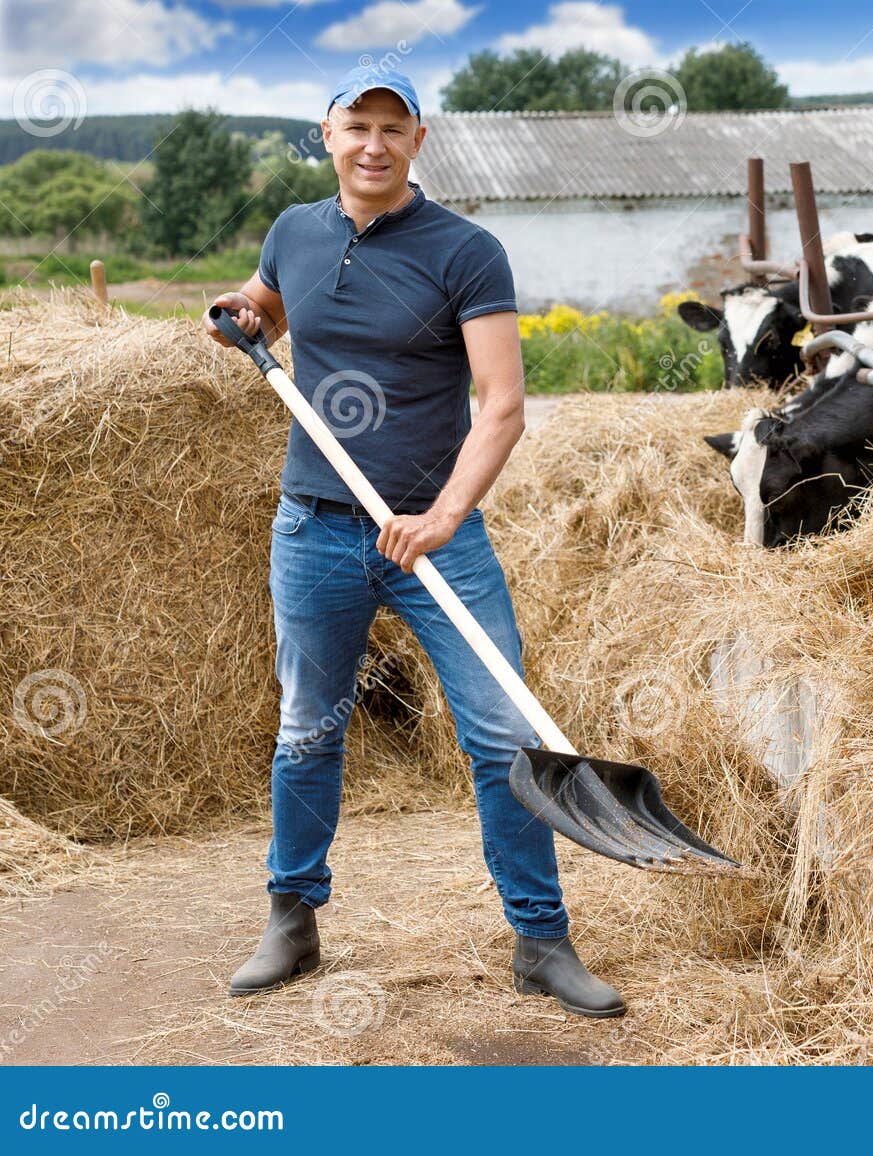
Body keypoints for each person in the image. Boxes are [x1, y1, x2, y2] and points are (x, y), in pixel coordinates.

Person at [202, 65, 623, 1018]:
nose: (374, 144)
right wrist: (240, 315)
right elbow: (267, 304)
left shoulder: (466, 251)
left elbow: (503, 407)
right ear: (328, 132)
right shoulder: (295, 232)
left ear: (418, 141)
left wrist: (440, 517)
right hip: (314, 526)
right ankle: (292, 918)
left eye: (394, 128)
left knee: (502, 730)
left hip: (439, 540)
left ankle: (540, 938)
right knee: (309, 729)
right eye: (358, 125)